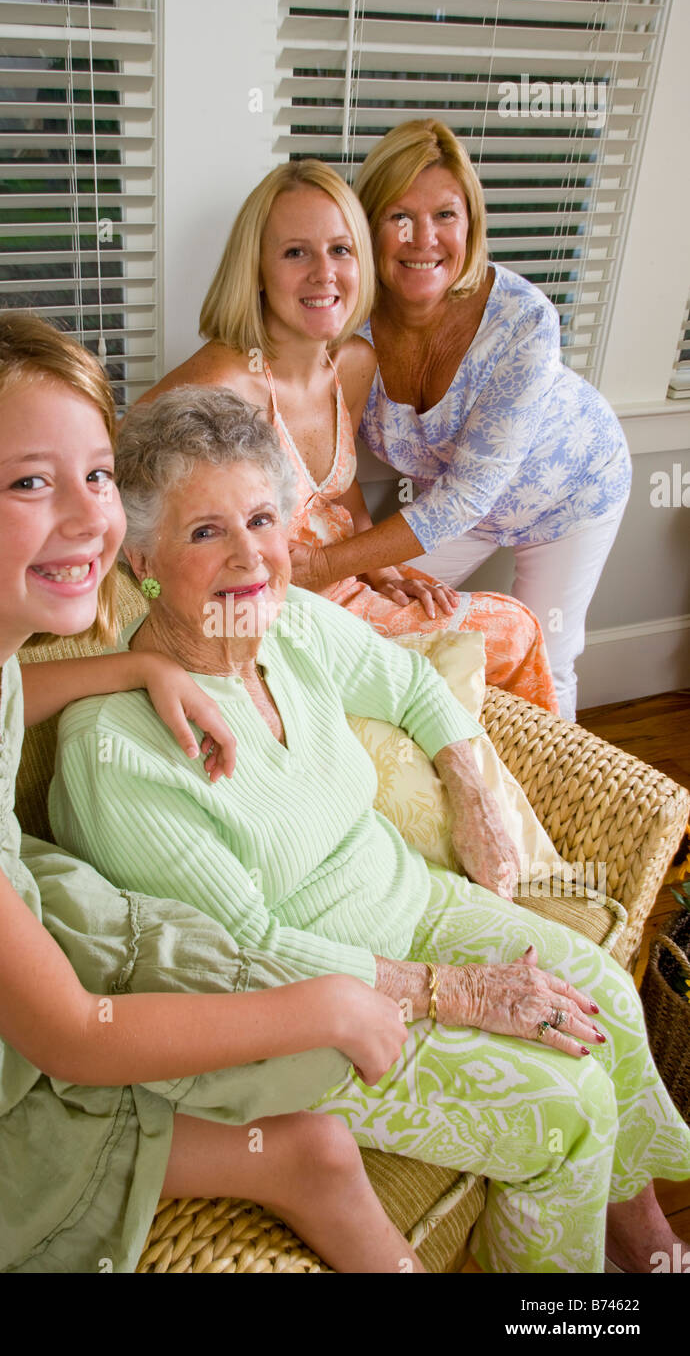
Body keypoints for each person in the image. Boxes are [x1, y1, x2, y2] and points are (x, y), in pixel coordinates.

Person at [0, 310, 429, 1275]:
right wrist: (331, 1002)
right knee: (315, 1141)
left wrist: (135, 672)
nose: (90, 517)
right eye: (29, 482)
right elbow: (67, 1034)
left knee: (281, 1073)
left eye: (98, 475)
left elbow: (2, 705)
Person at [50, 384, 690, 1274]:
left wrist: (472, 795)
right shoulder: (115, 752)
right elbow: (246, 957)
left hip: (413, 904)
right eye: (207, 533)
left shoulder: (291, 626)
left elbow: (417, 689)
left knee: (612, 1001)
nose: (252, 558)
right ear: (141, 560)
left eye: (264, 520)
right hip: (300, 1021)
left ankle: (647, 1249)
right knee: (567, 1101)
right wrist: (455, 993)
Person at [142, 158, 559, 714]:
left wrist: (380, 569)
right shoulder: (222, 384)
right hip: (285, 617)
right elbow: (122, 491)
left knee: (515, 628)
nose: (324, 274)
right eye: (296, 253)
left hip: (344, 585)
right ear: (256, 270)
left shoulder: (353, 362)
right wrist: (161, 602)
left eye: (340, 250)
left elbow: (339, 490)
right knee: (513, 629)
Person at [311, 118, 631, 721]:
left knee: (550, 657)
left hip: (574, 493)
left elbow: (467, 494)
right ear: (368, 224)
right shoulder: (344, 317)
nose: (422, 238)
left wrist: (322, 563)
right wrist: (370, 564)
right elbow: (335, 459)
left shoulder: (525, 320)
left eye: (445, 215)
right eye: (399, 215)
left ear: (471, 223)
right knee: (389, 616)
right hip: (460, 508)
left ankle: (556, 805)